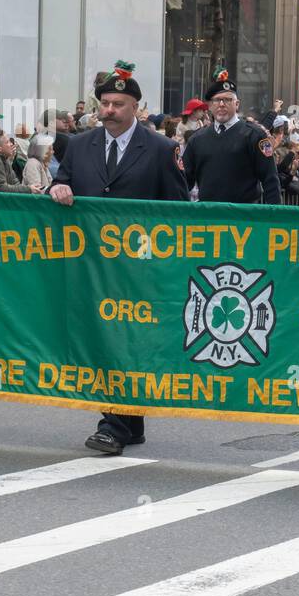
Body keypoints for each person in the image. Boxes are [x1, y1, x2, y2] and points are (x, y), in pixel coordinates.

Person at [50, 60, 189, 455]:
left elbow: (177, 210)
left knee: (127, 340)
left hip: (140, 266)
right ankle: (130, 421)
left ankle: (113, 424)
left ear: (136, 108)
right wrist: (58, 190)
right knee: (107, 339)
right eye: (105, 103)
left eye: (118, 104)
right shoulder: (79, 144)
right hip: (92, 265)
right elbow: (62, 184)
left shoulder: (163, 149)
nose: (108, 110)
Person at [182, 69, 281, 204]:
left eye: (227, 100)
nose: (221, 104)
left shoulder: (256, 135)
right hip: (208, 218)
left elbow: (270, 179)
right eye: (217, 100)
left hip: (244, 218)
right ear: (210, 106)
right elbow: (183, 181)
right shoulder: (197, 139)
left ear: (237, 104)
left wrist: (273, 217)